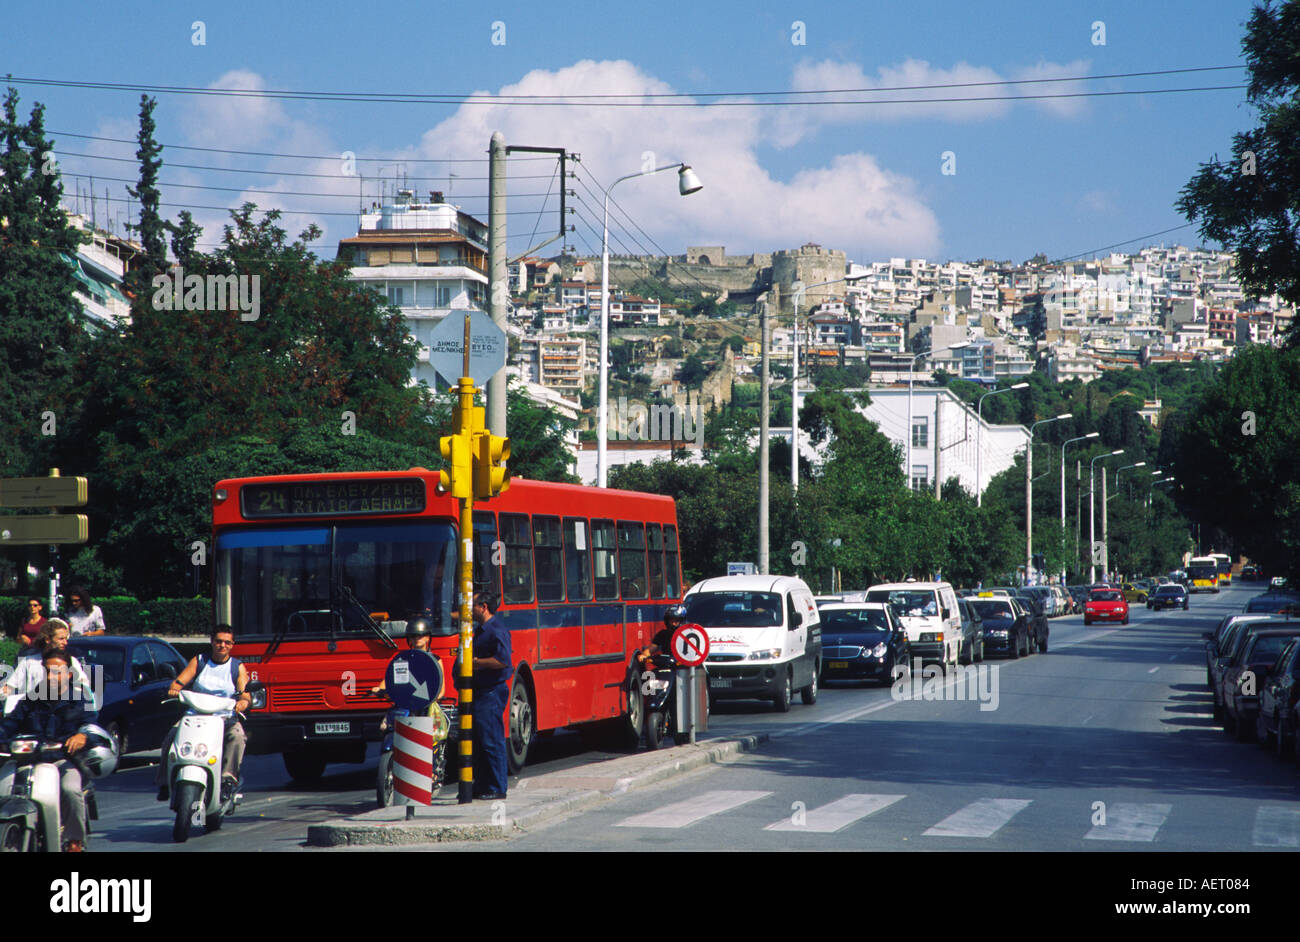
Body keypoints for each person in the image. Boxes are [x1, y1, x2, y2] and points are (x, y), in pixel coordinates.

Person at [0, 649, 95, 851]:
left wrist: (82, 736)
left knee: (71, 790)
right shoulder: (31, 699)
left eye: (58, 672)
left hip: (62, 759)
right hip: (29, 760)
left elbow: (90, 725)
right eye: (48, 671)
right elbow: (10, 723)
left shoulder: (80, 699)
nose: (52, 676)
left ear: (69, 674)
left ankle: (74, 841)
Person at [156, 625, 250, 804]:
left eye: (227, 642)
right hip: (194, 716)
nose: (222, 645)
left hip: (224, 718)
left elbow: (244, 692)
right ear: (212, 642)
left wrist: (243, 702)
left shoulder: (237, 667)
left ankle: (227, 780)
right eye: (218, 641)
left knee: (238, 737)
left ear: (232, 645)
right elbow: (178, 683)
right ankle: (164, 782)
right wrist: (175, 690)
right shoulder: (199, 661)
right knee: (171, 737)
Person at [470, 592, 512, 800]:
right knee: (480, 741)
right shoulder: (480, 630)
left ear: (483, 607)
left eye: (473, 605)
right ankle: (483, 785)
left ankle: (497, 787)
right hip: (480, 691)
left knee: (492, 740)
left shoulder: (496, 631)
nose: (470, 609)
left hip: (492, 691)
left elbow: (503, 661)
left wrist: (477, 663)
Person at [2, 619, 96, 708]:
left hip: (63, 715)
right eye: (61, 639)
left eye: (66, 639)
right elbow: (10, 688)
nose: (65, 642)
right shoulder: (28, 662)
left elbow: (84, 688)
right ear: (47, 639)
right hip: (34, 714)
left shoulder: (72, 661)